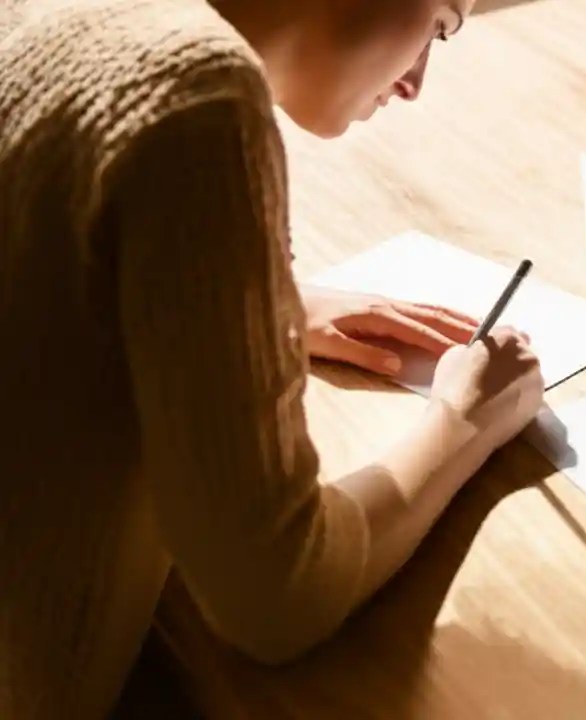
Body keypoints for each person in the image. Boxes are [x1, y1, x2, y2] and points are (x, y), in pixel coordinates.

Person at [0, 0, 546, 717]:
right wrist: (463, 420)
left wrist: (243, 294)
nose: (415, 81)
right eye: (441, 22)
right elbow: (274, 595)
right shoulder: (198, 94)